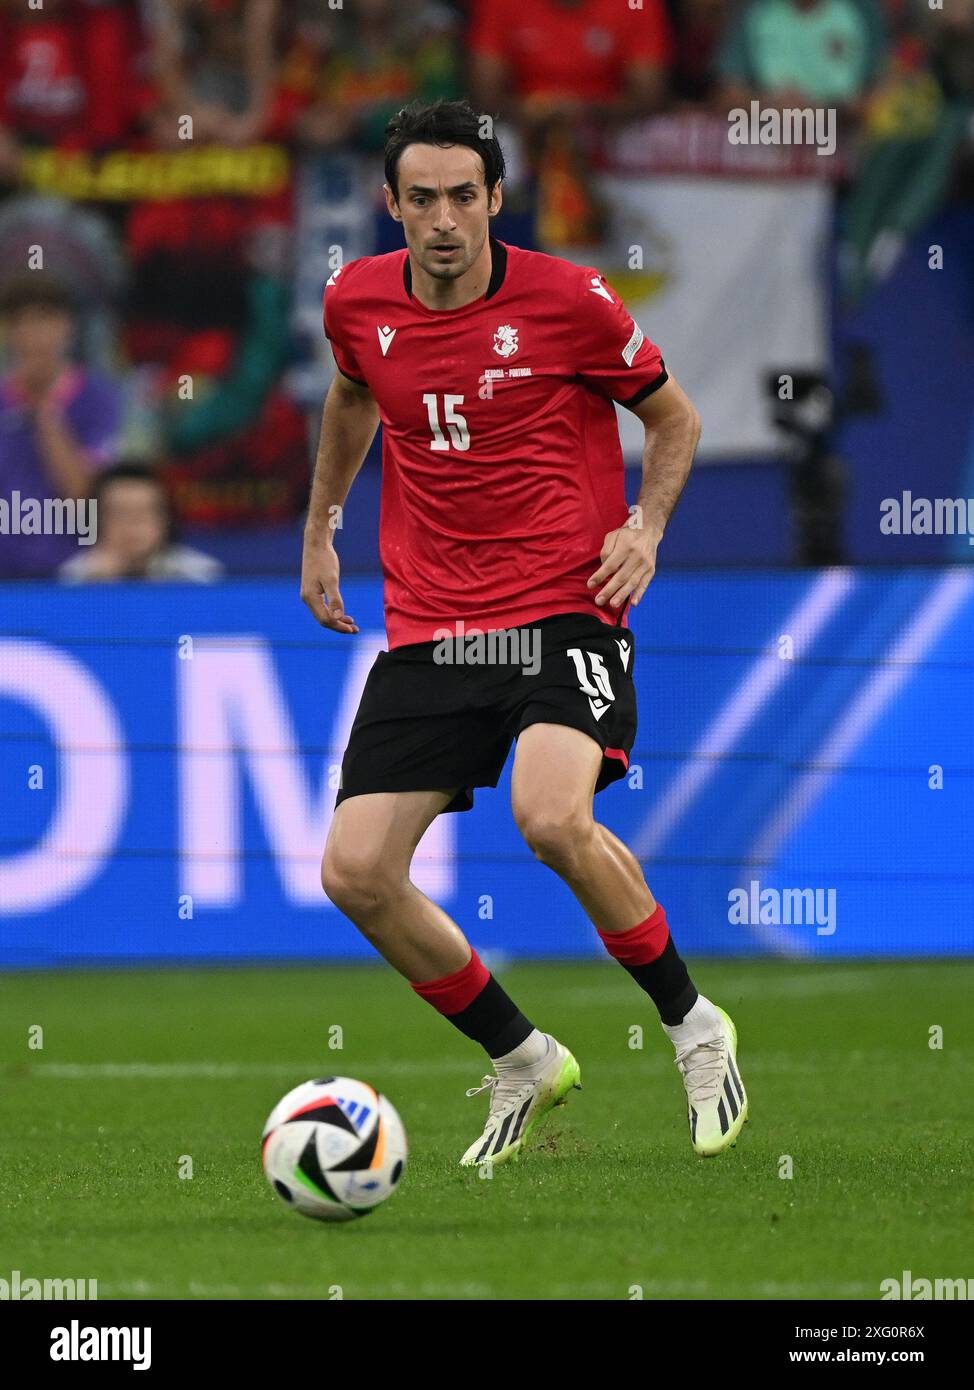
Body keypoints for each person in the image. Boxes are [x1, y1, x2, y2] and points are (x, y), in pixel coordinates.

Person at [301, 99, 748, 1166]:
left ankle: (692, 1025)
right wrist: (321, 531)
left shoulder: (569, 300)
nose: (444, 218)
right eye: (422, 198)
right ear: (392, 204)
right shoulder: (356, 302)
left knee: (547, 816)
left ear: (497, 198)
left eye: (465, 195)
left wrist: (643, 528)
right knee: (354, 874)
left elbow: (673, 416)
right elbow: (352, 401)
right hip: (432, 620)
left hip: (563, 603)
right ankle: (522, 1056)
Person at [0, 274, 121, 578]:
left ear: (66, 326)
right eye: (20, 323)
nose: (31, 334)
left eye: (43, 321)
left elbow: (82, 496)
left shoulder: (98, 400)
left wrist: (44, 410)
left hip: (73, 571)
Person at [58, 462, 223, 582]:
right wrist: (97, 584)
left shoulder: (200, 576)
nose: (132, 524)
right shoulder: (76, 577)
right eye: (119, 513)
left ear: (166, 519)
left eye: (143, 512)